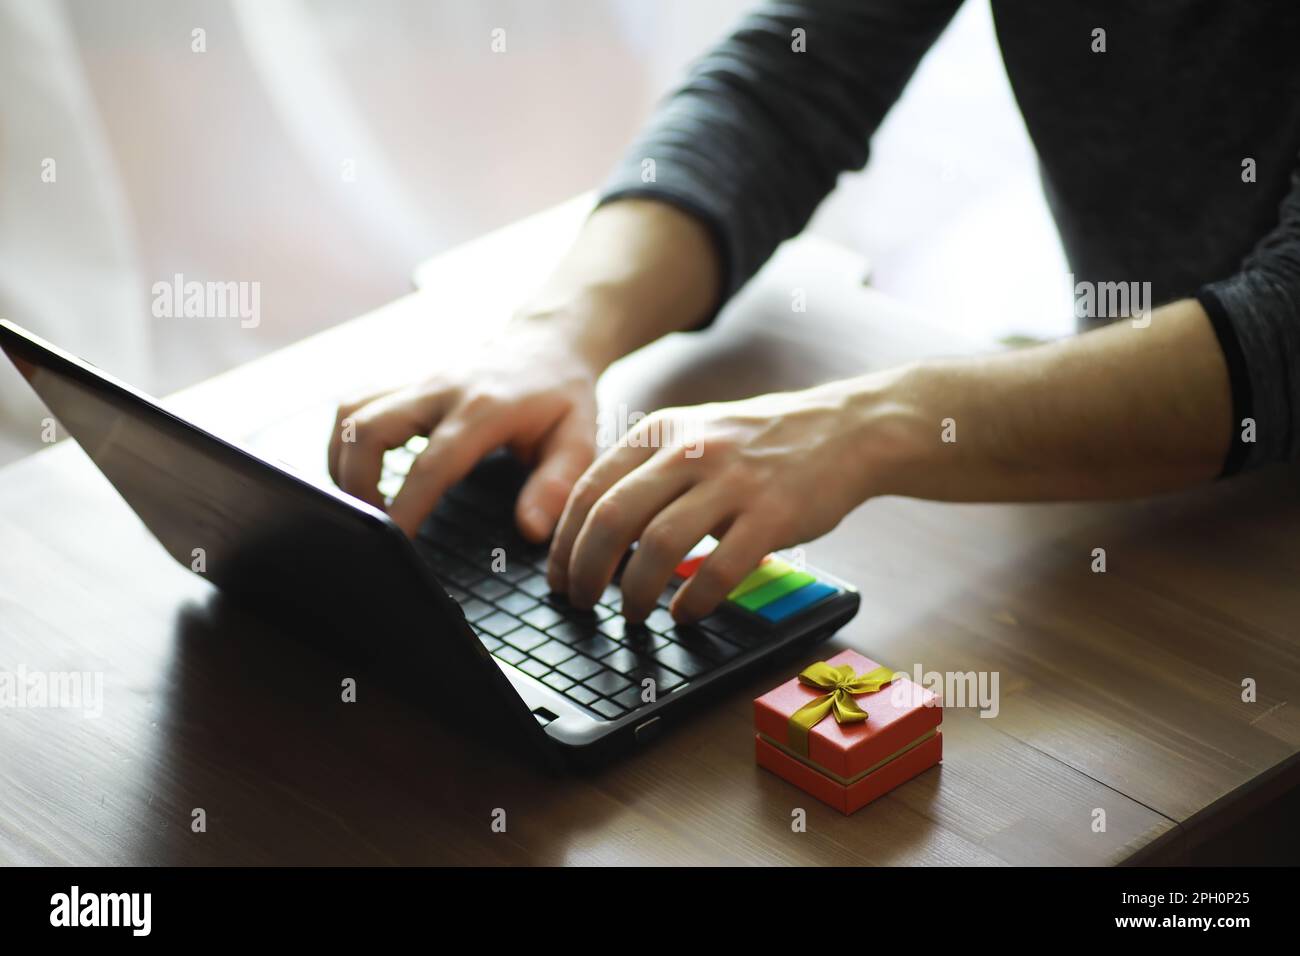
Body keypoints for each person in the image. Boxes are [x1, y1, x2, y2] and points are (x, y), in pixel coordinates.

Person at [328, 1, 1300, 626]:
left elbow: (1286, 319)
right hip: (1158, 504)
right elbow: (787, 83)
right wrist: (559, 331)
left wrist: (867, 425)